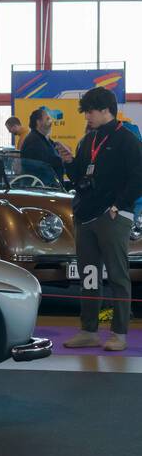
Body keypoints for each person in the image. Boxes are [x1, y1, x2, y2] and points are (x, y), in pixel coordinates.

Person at [62, 86, 142, 351]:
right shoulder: (89, 140)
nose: (87, 116)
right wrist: (69, 161)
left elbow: (138, 176)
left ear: (106, 109)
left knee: (118, 275)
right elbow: (80, 177)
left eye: (90, 111)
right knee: (89, 275)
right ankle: (89, 330)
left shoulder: (127, 139)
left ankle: (119, 333)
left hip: (113, 215)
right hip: (86, 215)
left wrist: (119, 206)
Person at [19, 107, 71, 188]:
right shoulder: (33, 141)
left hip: (50, 186)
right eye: (47, 119)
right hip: (40, 188)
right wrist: (62, 159)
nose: (51, 122)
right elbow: (44, 164)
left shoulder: (45, 139)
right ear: (38, 122)